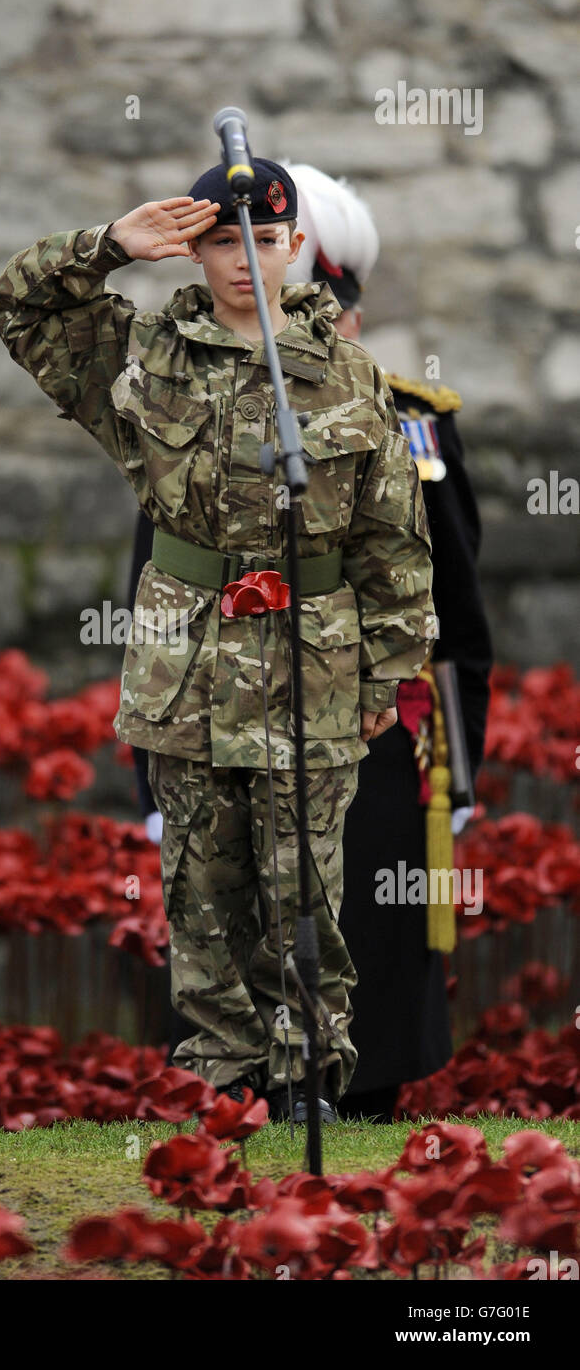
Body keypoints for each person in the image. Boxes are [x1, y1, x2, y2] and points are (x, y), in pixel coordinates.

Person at [0, 158, 436, 1122]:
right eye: (223, 241)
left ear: (293, 248)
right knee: (199, 883)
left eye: (262, 242)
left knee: (306, 880)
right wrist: (109, 245)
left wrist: (387, 676)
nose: (243, 260)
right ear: (194, 248)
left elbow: (392, 543)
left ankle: (308, 1077)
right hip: (189, 662)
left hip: (311, 664)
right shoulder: (145, 355)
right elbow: (19, 310)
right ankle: (223, 1086)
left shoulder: (347, 375)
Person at [128, 164, 492, 1117]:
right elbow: (166, 585)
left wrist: (459, 774)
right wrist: (148, 778)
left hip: (373, 720)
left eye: (331, 300)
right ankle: (243, 1091)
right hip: (221, 702)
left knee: (357, 918)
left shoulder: (406, 421)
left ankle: (349, 1096)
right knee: (230, 907)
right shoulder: (190, 402)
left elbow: (453, 613)